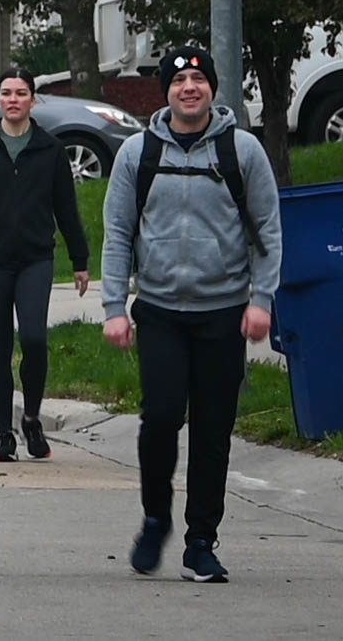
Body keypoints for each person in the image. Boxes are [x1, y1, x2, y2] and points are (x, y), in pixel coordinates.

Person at [101, 46, 281, 584]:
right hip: (158, 309)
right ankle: (157, 517)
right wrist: (115, 307)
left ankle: (201, 541)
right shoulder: (138, 153)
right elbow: (118, 235)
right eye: (180, 80)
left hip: (223, 312)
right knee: (160, 417)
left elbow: (267, 233)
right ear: (167, 91)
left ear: (212, 89)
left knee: (212, 429)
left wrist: (261, 300)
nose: (190, 88)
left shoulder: (241, 151)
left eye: (199, 79)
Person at [0, 67, 89, 462]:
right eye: (6, 93)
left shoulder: (49, 150)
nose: (12, 100)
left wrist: (80, 260)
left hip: (34, 258)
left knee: (33, 338)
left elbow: (66, 208)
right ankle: (3, 434)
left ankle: (31, 416)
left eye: (20, 93)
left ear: (32, 99)